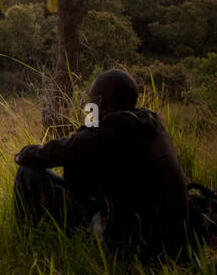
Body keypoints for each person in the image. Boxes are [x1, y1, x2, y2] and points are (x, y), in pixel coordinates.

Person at [13, 69, 192, 258]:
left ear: (99, 102)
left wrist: (21, 155)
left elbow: (46, 154)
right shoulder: (150, 124)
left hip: (134, 247)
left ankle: (28, 247)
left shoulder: (108, 133)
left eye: (91, 101)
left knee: (27, 173)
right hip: (173, 241)